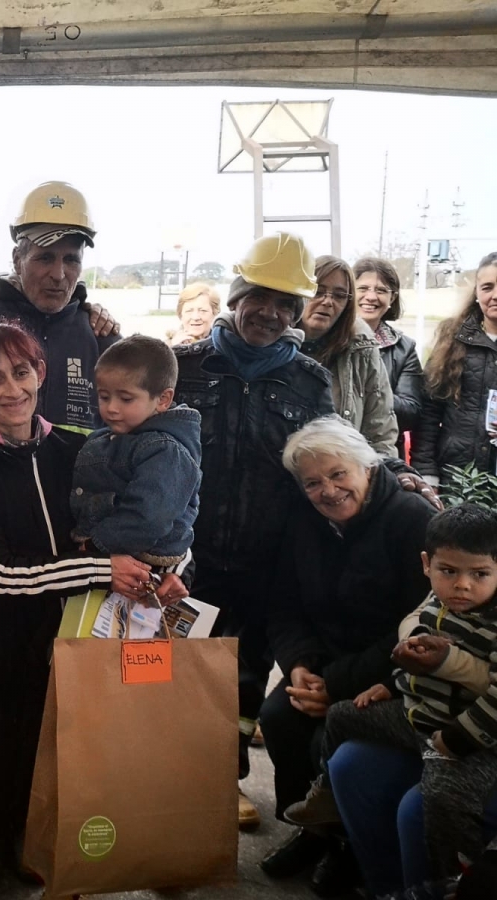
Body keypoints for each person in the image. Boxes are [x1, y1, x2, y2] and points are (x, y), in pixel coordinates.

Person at [0, 322, 170, 899]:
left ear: (41, 374)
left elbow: (140, 516)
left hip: (66, 642)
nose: (12, 389)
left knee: (46, 755)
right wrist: (101, 571)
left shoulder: (79, 446)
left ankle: (24, 847)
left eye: (22, 372)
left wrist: (165, 568)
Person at [172, 231, 337, 832]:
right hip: (190, 561)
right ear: (235, 297)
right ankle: (184, 779)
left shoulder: (310, 383)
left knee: (246, 678)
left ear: (296, 313)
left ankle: (228, 779)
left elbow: (329, 461)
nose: (269, 314)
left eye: (285, 305)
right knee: (186, 674)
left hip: (268, 563)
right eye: (258, 298)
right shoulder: (182, 367)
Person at [257, 416, 433, 895]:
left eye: (339, 475)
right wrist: (299, 665)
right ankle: (313, 830)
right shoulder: (304, 520)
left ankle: (351, 844)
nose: (328, 491)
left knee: (326, 741)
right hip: (321, 661)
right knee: (278, 717)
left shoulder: (411, 519)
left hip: (390, 672)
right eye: (313, 482)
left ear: (368, 468)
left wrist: (334, 684)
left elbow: (417, 630)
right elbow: (284, 604)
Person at [320, 504, 497, 899]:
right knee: (342, 716)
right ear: (427, 564)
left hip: (466, 739)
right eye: (449, 571)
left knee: (439, 797)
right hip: (418, 714)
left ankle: (450, 885)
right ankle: (323, 800)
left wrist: (457, 740)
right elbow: (413, 650)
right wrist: (393, 684)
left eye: (479, 574)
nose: (462, 586)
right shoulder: (437, 602)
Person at [0, 181, 120, 445]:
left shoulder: (102, 337)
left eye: (71, 260)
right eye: (45, 258)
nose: (59, 275)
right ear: (18, 259)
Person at [70, 334, 200, 591]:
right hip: (110, 556)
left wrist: (95, 547)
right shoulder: (111, 436)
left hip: (142, 563)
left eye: (126, 399)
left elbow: (149, 516)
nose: (111, 408)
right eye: (104, 396)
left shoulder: (166, 450)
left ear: (163, 399)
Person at [300, 255, 399, 457]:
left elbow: (380, 432)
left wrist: (383, 479)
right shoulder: (272, 342)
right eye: (318, 291)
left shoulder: (361, 348)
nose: (327, 301)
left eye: (339, 295)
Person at [414, 253, 497, 489]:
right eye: (487, 287)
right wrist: (426, 471)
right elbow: (429, 410)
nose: (495, 296)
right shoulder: (453, 338)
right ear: (477, 292)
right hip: (456, 478)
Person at [354, 257, 424, 461]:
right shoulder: (329, 339)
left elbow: (411, 412)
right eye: (363, 288)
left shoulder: (404, 348)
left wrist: (362, 391)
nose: (371, 297)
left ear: (392, 298)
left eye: (381, 290)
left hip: (384, 457)